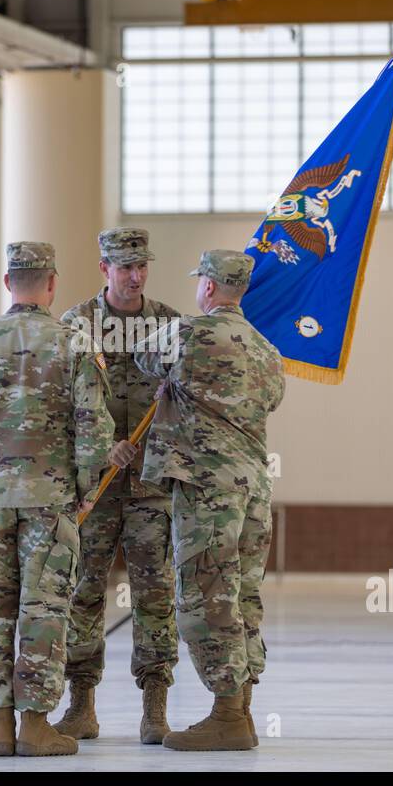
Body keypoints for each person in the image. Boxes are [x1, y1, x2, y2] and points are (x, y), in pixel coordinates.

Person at [0, 241, 114, 757]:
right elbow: (95, 431)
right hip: (50, 501)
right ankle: (35, 725)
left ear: (8, 282)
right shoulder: (74, 343)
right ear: (52, 284)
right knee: (43, 609)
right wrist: (82, 492)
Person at [134, 250, 284, 752]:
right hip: (255, 491)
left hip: (207, 489)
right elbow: (271, 399)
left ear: (209, 288)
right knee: (242, 597)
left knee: (204, 597)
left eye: (201, 281)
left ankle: (226, 713)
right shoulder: (267, 349)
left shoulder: (190, 334)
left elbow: (141, 357)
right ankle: (240, 708)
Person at [56, 228, 180, 744]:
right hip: (96, 486)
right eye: (124, 267)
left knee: (155, 592)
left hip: (151, 484)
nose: (135, 276)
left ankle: (155, 707)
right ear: (104, 267)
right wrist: (98, 449)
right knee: (84, 590)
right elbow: (62, 402)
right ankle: (81, 703)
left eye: (141, 266)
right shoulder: (77, 325)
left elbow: (187, 403)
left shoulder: (170, 324)